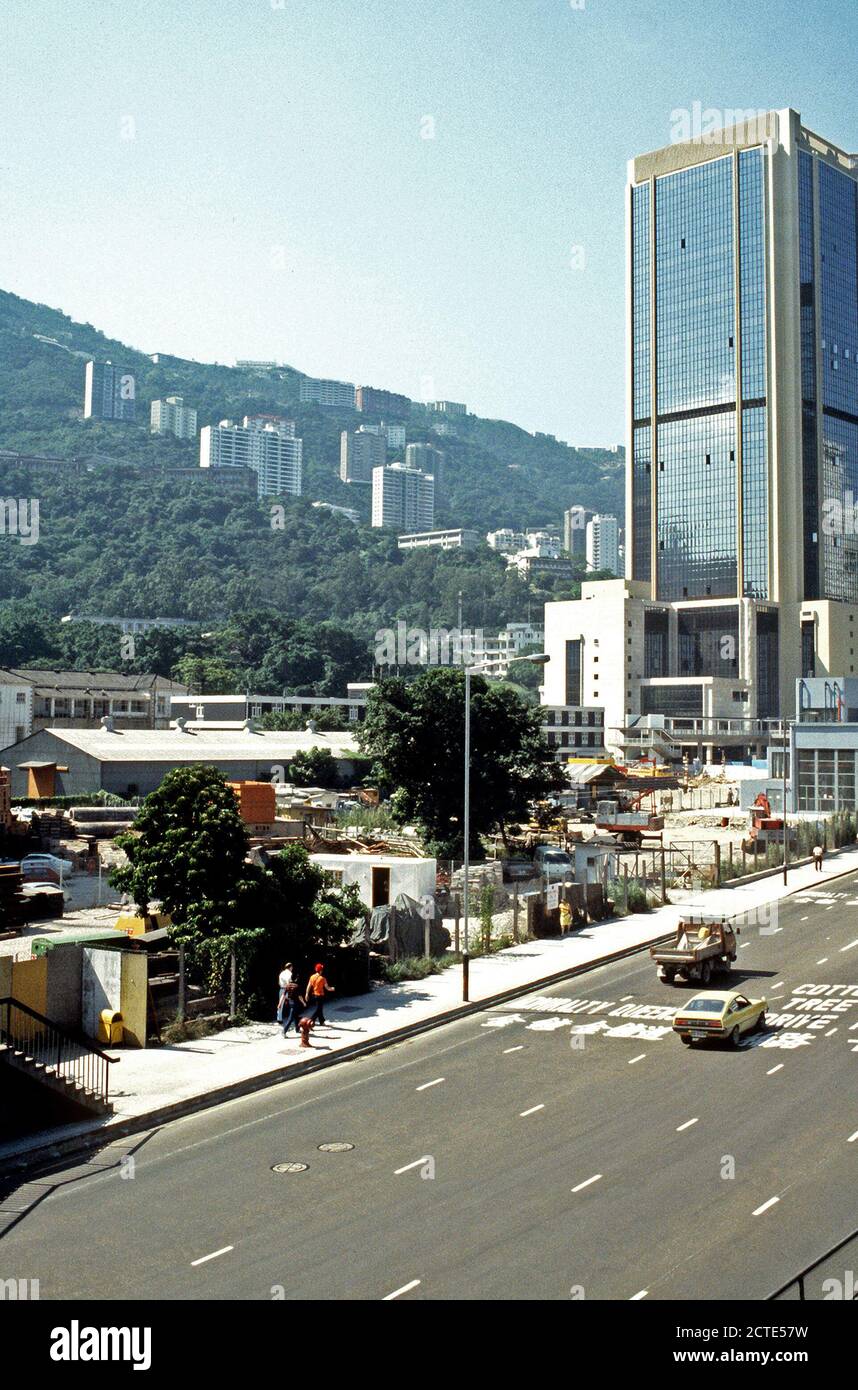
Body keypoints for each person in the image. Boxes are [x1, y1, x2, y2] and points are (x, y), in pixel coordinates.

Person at [305, 962, 334, 1027]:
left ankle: (322, 1021)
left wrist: (306, 994)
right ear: (320, 970)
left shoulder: (312, 977)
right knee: (318, 1010)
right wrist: (332, 989)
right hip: (320, 996)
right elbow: (327, 988)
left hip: (314, 995)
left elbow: (308, 986)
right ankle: (310, 1021)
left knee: (319, 1009)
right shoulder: (323, 978)